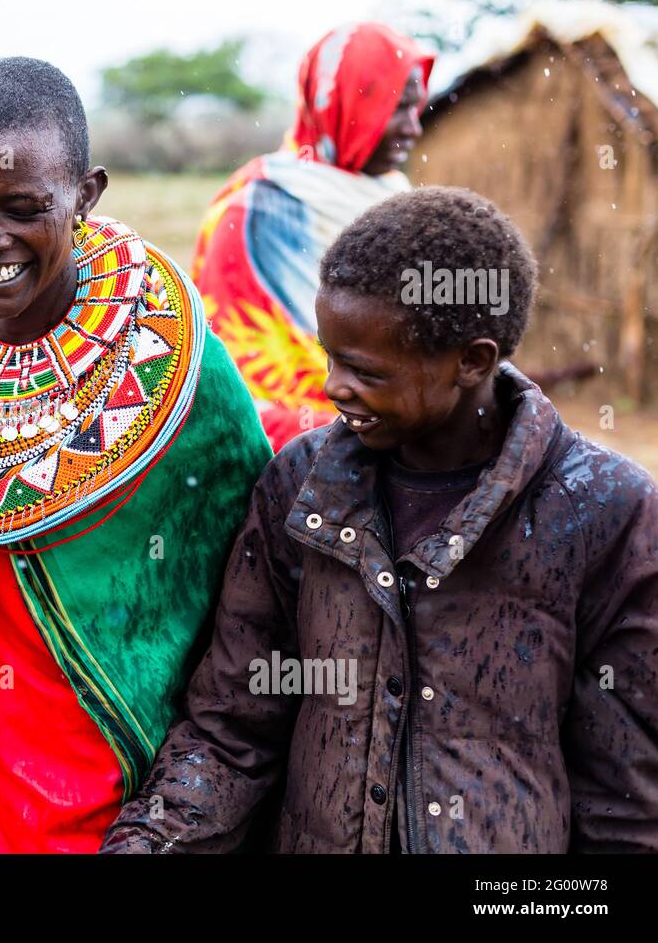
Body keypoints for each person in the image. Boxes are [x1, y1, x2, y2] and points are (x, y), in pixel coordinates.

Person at [102, 187, 658, 853]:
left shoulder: (606, 511)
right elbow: (232, 729)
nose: (332, 386)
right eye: (329, 356)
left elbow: (626, 796)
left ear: (473, 361)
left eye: (363, 370)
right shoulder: (299, 489)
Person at [0, 58, 272, 852]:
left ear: (87, 194)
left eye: (21, 209)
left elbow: (251, 599)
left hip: (103, 798)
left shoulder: (179, 370)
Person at [193, 22, 433, 451]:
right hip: (281, 449)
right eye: (399, 108)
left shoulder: (397, 199)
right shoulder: (254, 211)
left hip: (395, 430)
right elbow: (231, 373)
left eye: (417, 109)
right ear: (348, 107)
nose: (414, 129)